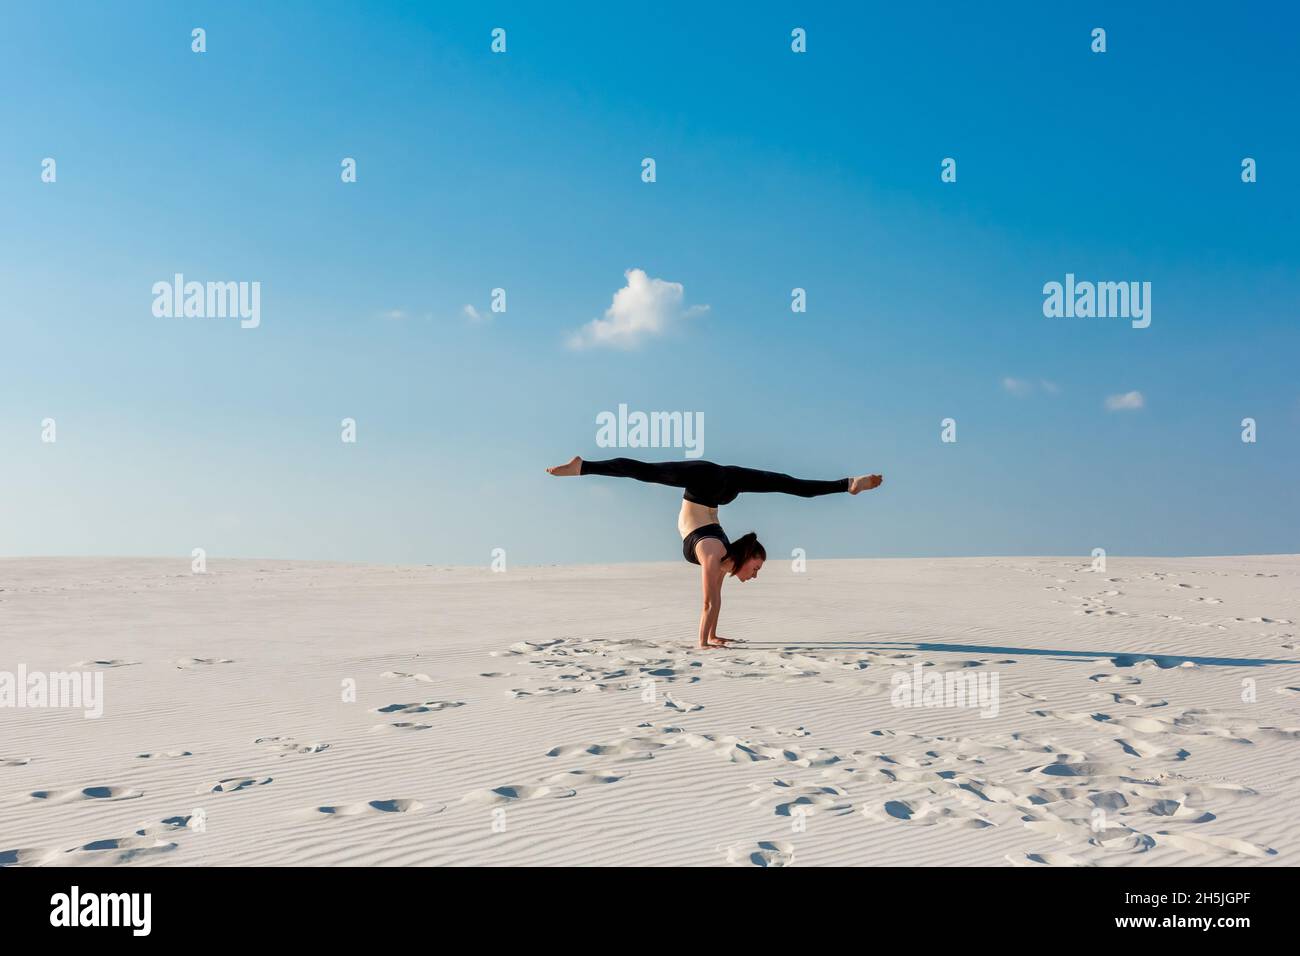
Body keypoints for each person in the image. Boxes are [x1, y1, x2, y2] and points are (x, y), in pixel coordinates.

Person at [546, 456, 883, 648]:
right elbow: (710, 602)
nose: (755, 574)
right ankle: (582, 466)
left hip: (723, 483)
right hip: (707, 479)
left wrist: (712, 636)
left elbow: (714, 599)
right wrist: (702, 643)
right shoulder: (712, 550)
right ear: (746, 556)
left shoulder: (719, 557)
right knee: (645, 472)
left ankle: (848, 484)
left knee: (786, 483)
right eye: (757, 567)